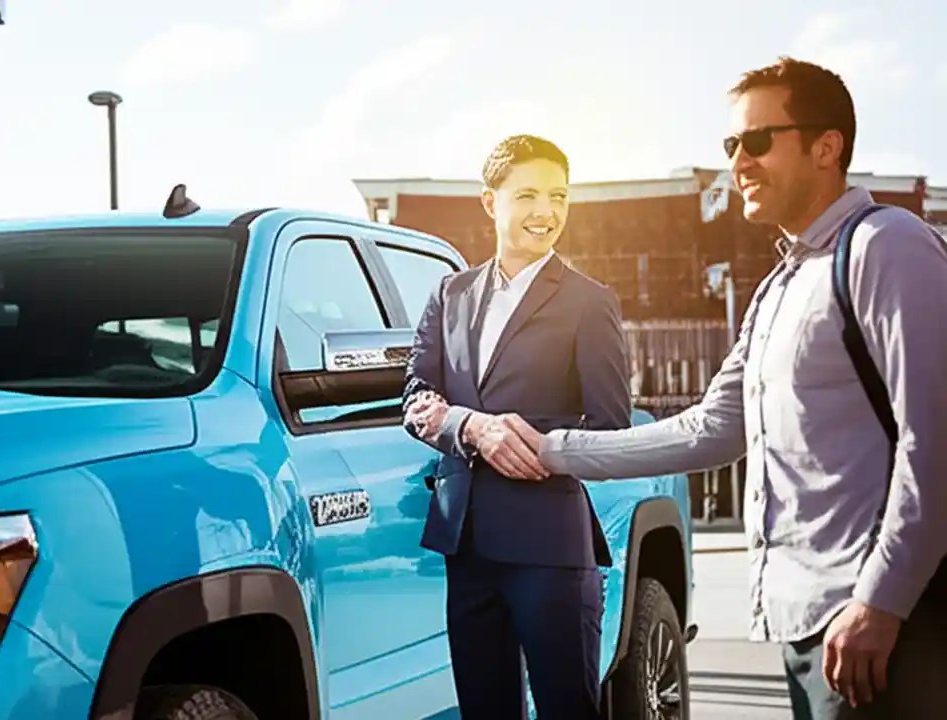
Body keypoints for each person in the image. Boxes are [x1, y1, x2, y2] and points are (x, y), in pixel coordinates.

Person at [504, 57, 947, 718]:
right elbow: (711, 426)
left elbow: (935, 441)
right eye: (730, 145)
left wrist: (882, 601)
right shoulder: (779, 287)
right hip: (813, 630)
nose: (739, 162)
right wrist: (550, 450)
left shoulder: (887, 247)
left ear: (827, 147)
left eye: (759, 141)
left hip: (886, 626)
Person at [402, 133, 632, 719]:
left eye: (558, 196)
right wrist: (469, 426)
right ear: (490, 202)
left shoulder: (590, 302)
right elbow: (414, 395)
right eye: (527, 195)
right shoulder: (449, 295)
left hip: (549, 549)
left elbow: (610, 427)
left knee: (566, 710)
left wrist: (534, 446)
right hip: (466, 544)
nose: (546, 212)